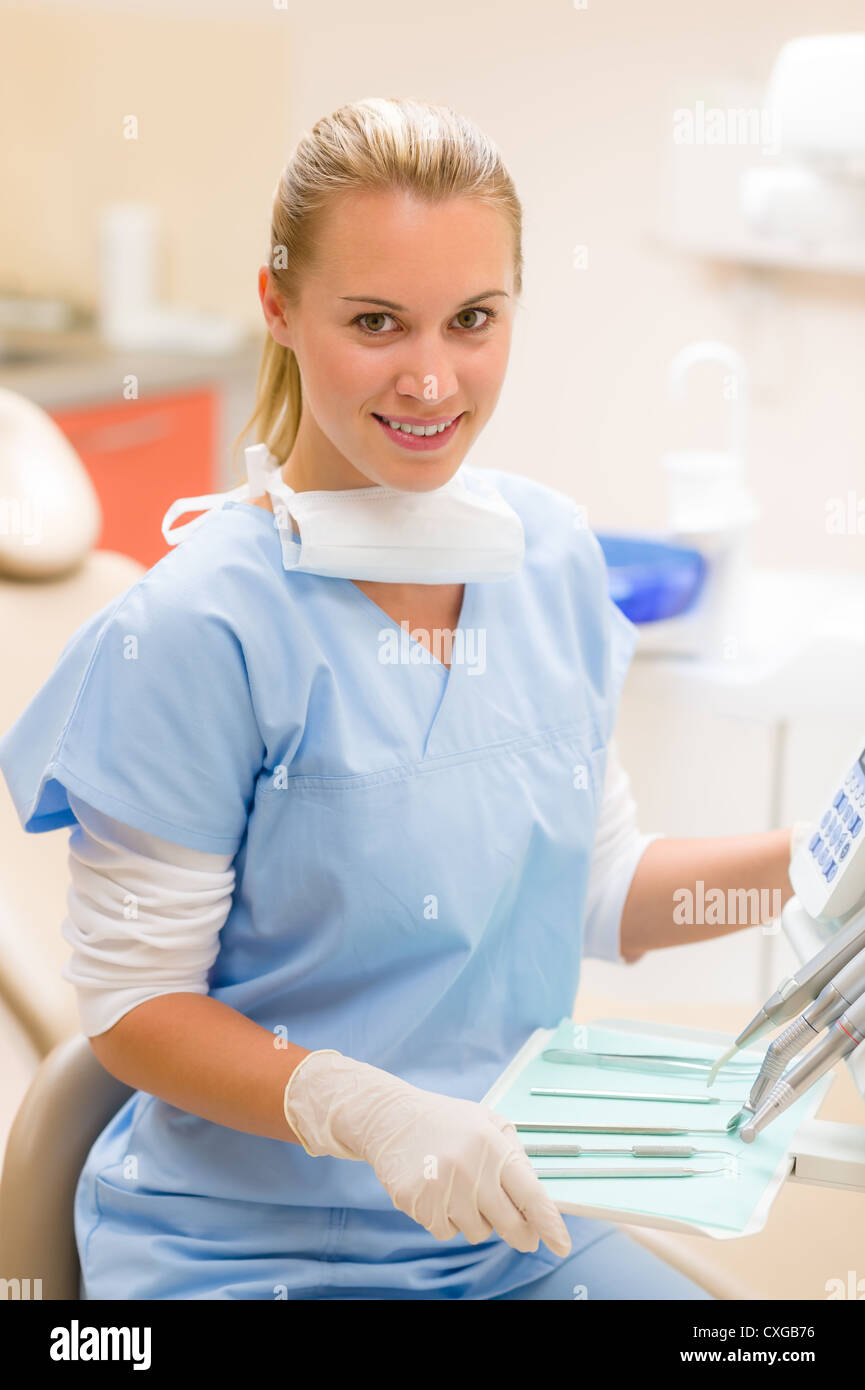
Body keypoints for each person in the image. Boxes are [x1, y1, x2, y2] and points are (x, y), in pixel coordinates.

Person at [0, 97, 799, 1301]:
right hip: (237, 1252)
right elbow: (133, 1006)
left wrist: (817, 867)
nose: (432, 377)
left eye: (472, 319)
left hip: (504, 1232)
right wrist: (361, 1109)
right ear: (277, 307)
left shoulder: (553, 559)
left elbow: (594, 885)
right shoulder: (197, 627)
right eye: (375, 322)